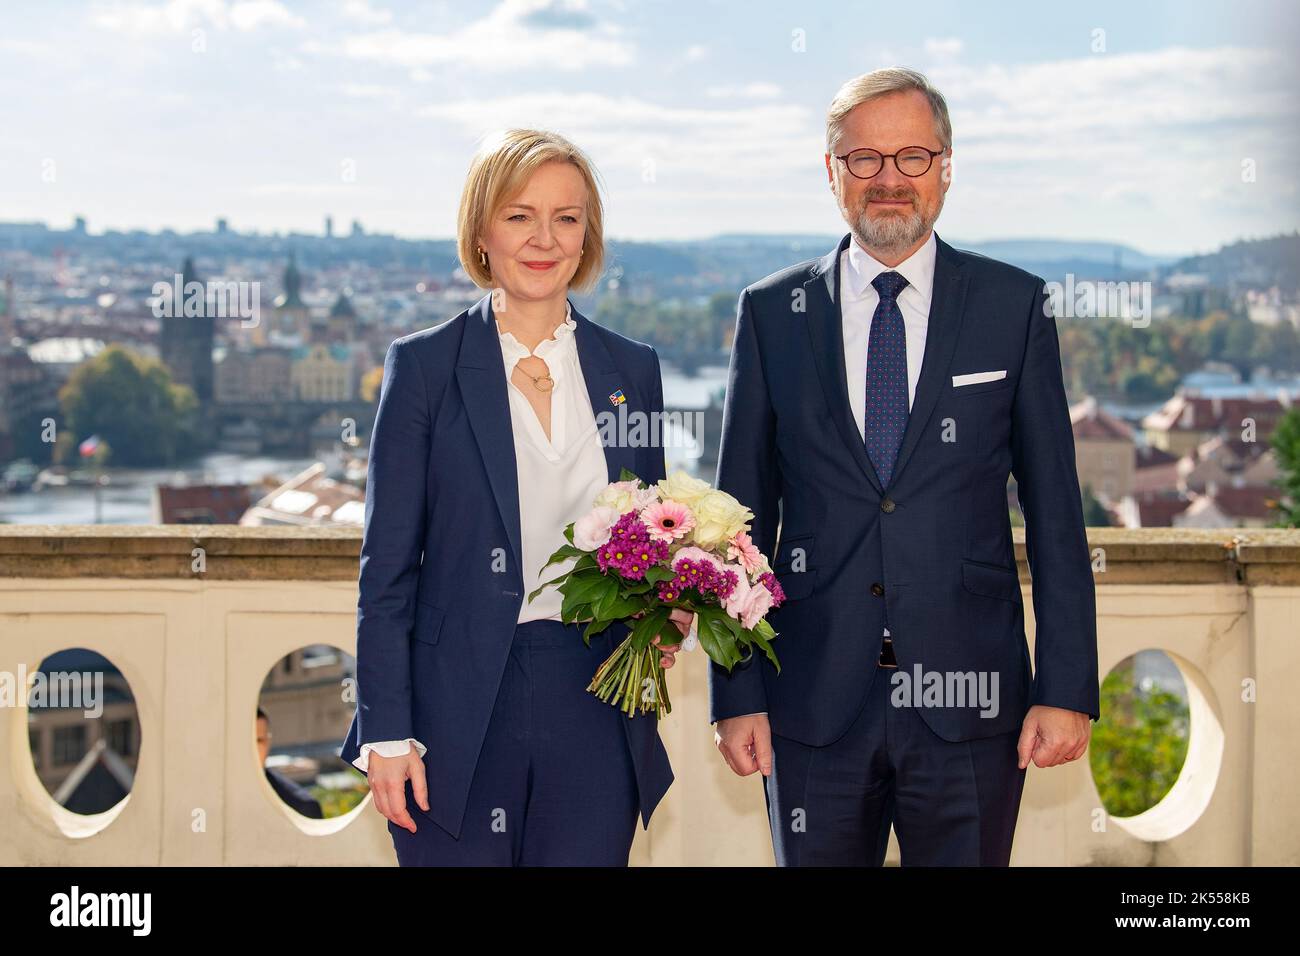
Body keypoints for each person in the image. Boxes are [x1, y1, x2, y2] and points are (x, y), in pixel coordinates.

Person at [708, 68, 1100, 866]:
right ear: (832, 172)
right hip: (810, 705)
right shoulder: (770, 315)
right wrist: (736, 694)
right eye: (865, 159)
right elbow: (735, 529)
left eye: (913, 156)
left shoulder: (1013, 306)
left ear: (946, 167)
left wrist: (1064, 688)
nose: (890, 179)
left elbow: (1056, 513)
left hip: (973, 709)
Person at [340, 129, 686, 865]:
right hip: (455, 709)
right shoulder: (425, 367)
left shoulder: (633, 369)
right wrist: (388, 733)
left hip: (596, 696)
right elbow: (387, 572)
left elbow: (652, 535)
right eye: (520, 215)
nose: (544, 238)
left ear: (587, 234)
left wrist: (669, 609)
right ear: (482, 231)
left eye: (567, 217)